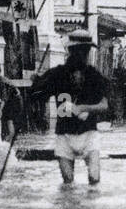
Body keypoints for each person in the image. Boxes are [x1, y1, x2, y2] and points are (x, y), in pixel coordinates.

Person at [29, 29, 112, 184]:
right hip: (64, 134)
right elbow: (37, 97)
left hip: (89, 132)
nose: (83, 55)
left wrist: (83, 108)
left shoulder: (94, 76)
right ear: (71, 51)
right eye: (80, 51)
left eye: (86, 51)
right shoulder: (56, 74)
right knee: (67, 182)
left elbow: (104, 105)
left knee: (94, 178)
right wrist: (36, 84)